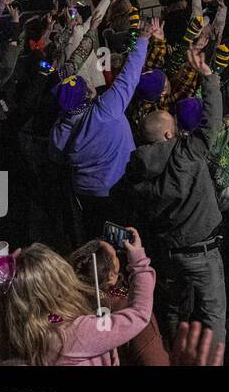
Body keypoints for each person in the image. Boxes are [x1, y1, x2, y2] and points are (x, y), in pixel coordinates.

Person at [116, 44, 226, 344]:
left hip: (170, 254)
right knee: (213, 315)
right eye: (174, 126)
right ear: (167, 135)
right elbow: (212, 124)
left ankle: (175, 351)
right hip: (203, 251)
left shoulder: (135, 170)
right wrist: (208, 77)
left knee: (176, 308)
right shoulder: (184, 154)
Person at [51, 18, 159, 236]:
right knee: (126, 233)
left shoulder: (57, 133)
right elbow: (128, 78)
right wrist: (143, 40)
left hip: (85, 193)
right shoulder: (105, 111)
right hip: (119, 186)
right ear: (88, 93)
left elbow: (57, 158)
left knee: (99, 233)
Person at [0, 228, 155, 365]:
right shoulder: (75, 333)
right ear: (56, 286)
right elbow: (139, 314)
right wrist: (139, 264)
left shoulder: (7, 333)